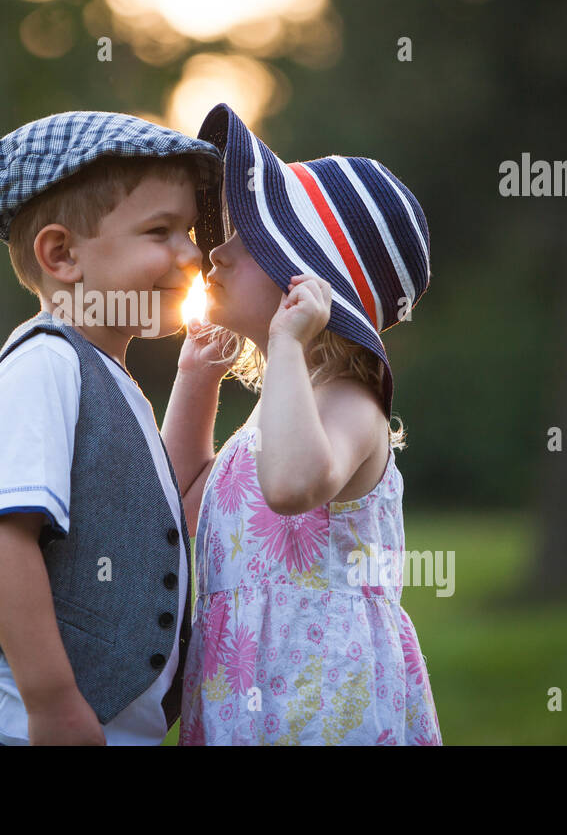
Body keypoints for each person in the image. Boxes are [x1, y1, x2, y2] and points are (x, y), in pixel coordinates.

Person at [0, 111, 223, 745]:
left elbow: (154, 516)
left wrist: (202, 380)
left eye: (191, 231)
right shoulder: (43, 366)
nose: (192, 252)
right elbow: (6, 539)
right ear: (62, 255)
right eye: (160, 231)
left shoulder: (105, 376)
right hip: (24, 730)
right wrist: (54, 703)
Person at [163, 102, 442, 745]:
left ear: (310, 288)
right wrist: (196, 379)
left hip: (319, 705)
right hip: (241, 697)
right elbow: (181, 506)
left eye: (252, 239)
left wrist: (285, 345)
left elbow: (290, 487)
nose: (219, 250)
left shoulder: (353, 406)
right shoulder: (275, 413)